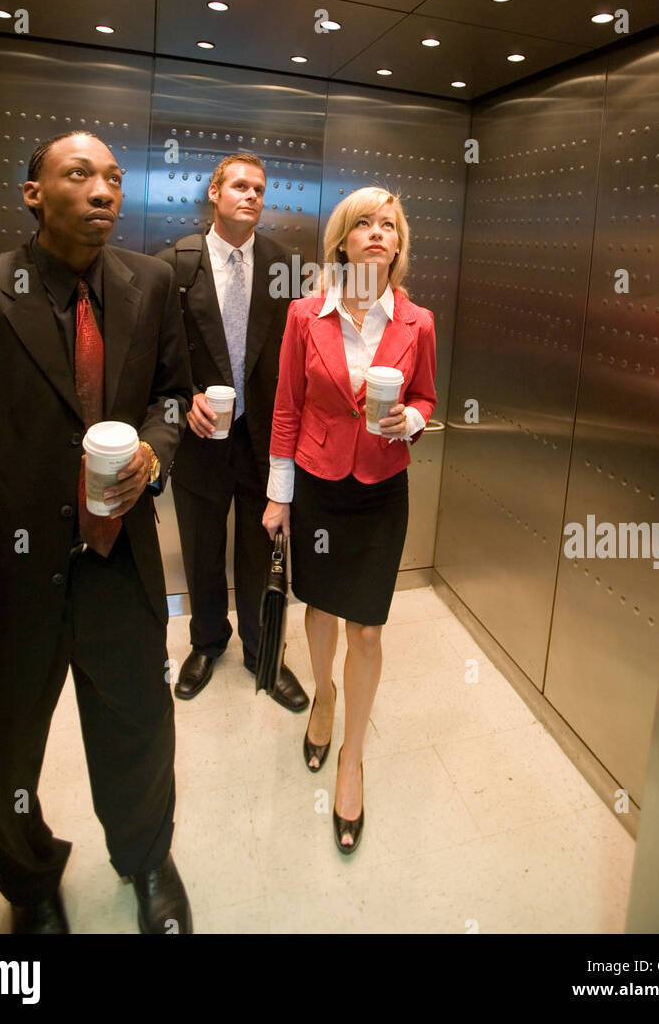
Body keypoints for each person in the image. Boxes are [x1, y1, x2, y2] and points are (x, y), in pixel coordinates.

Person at [0, 131, 195, 934]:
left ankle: (147, 860)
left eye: (114, 178)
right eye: (79, 174)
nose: (103, 191)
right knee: (4, 752)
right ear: (33, 193)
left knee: (139, 732)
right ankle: (30, 880)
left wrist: (156, 452)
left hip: (120, 563)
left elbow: (175, 397)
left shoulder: (151, 285)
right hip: (7, 578)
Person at [262, 187, 436, 852]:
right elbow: (286, 406)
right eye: (362, 222)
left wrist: (412, 418)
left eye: (387, 225)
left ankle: (352, 758)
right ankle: (323, 693)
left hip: (383, 489)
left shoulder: (417, 321)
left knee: (369, 627)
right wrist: (279, 496)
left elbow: (426, 396)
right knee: (322, 607)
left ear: (398, 244)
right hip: (318, 484)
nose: (375, 233)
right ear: (342, 240)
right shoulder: (306, 314)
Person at [156, 154, 308, 712]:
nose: (251, 196)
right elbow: (158, 355)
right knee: (199, 542)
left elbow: (303, 348)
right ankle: (206, 642)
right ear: (214, 194)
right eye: (239, 186)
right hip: (201, 434)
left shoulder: (283, 264)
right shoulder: (175, 263)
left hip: (265, 434)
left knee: (260, 542)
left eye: (259, 189)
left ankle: (260, 649)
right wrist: (185, 398)